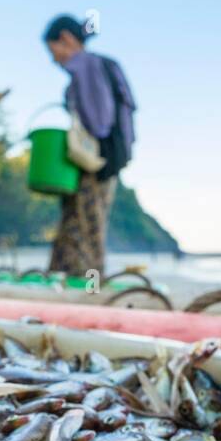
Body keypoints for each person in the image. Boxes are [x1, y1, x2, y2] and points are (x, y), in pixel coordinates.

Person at [43, 15, 136, 279]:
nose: (54, 59)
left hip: (96, 160)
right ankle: (63, 277)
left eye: (54, 51)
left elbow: (99, 121)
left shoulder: (86, 66)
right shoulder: (94, 66)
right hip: (104, 159)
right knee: (76, 222)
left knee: (86, 227)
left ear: (67, 40)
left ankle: (88, 286)